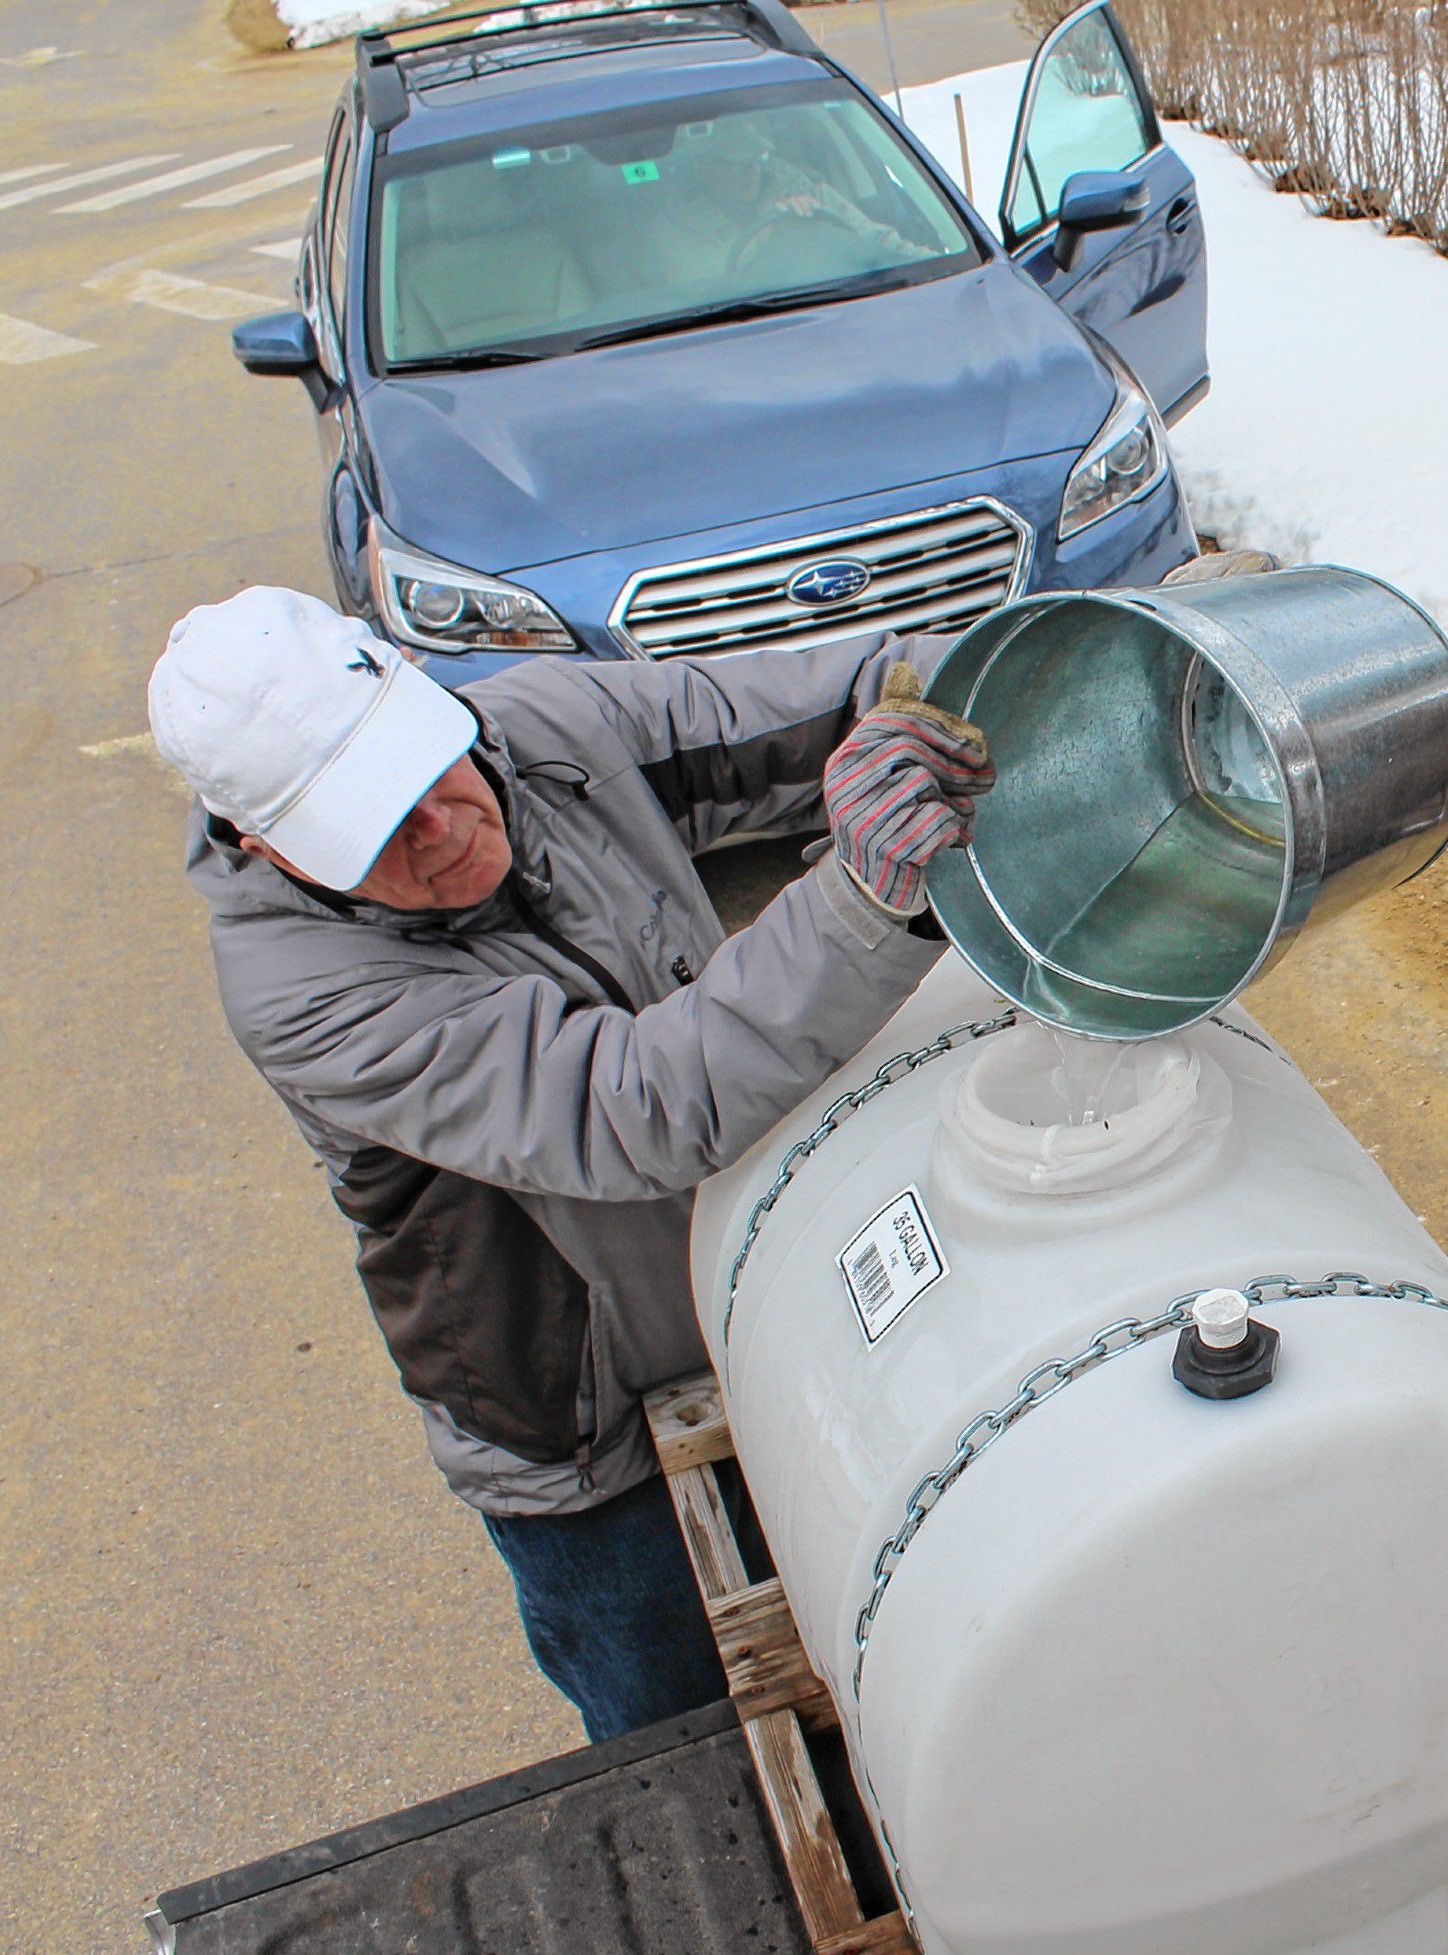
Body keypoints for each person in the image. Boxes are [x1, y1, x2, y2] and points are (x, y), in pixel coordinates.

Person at [150, 585, 987, 1740]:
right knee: (695, 1753)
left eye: (424, 769)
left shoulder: (547, 727)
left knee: (916, 1666)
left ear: (414, 682)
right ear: (262, 843)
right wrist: (858, 904)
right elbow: (639, 1106)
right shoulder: (301, 990)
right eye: (370, 829)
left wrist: (1055, 665)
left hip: (764, 1292)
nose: (441, 832)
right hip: (594, 1424)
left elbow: (844, 698)